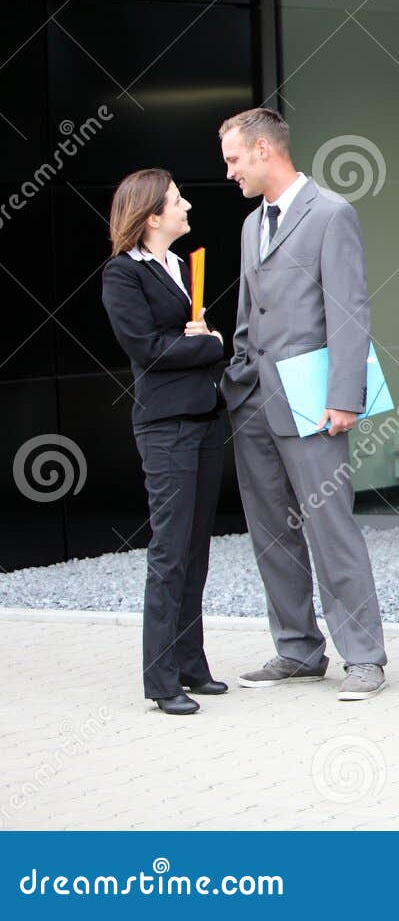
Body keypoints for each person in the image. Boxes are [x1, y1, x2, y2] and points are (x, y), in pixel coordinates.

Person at [217, 107, 389, 701]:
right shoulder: (249, 225)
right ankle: (296, 649)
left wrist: (346, 399)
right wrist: (236, 377)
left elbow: (349, 310)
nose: (230, 172)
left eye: (234, 159)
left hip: (314, 404)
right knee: (270, 532)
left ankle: (364, 656)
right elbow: (247, 313)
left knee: (329, 528)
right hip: (255, 403)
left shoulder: (332, 214)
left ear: (265, 150)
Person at [101, 170, 228, 716]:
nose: (187, 205)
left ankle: (191, 664)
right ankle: (160, 680)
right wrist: (212, 344)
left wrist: (200, 343)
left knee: (196, 548)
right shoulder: (122, 274)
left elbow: (181, 339)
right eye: (177, 201)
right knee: (169, 550)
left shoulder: (180, 265)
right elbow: (148, 349)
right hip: (166, 427)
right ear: (152, 216)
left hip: (204, 419)